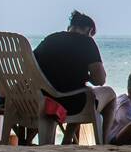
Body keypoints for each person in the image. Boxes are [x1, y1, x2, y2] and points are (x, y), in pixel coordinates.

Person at [33, 10, 115, 141]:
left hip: (44, 101)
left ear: (69, 27)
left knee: (84, 91)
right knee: (110, 94)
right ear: (89, 31)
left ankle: (67, 141)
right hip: (72, 105)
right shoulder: (87, 42)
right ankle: (105, 142)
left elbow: (33, 68)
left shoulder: (50, 39)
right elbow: (100, 80)